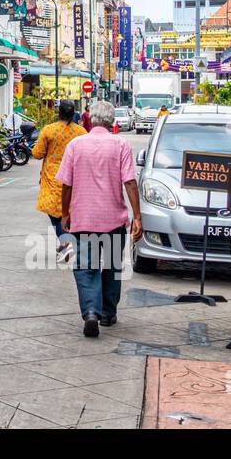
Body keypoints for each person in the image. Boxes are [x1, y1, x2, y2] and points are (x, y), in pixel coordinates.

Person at [56, 100, 143, 338]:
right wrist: (137, 216)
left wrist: (65, 213)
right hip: (114, 219)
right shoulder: (121, 144)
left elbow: (66, 184)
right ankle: (107, 313)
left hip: (84, 219)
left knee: (86, 266)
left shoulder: (75, 145)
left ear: (90, 119)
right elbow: (130, 182)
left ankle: (91, 312)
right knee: (113, 267)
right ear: (112, 121)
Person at [30, 100, 85, 262]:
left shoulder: (48, 131)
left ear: (59, 112)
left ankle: (67, 241)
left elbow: (37, 153)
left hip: (53, 177)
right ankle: (67, 240)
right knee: (70, 211)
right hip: (75, 177)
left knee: (53, 211)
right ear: (73, 113)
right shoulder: (81, 132)